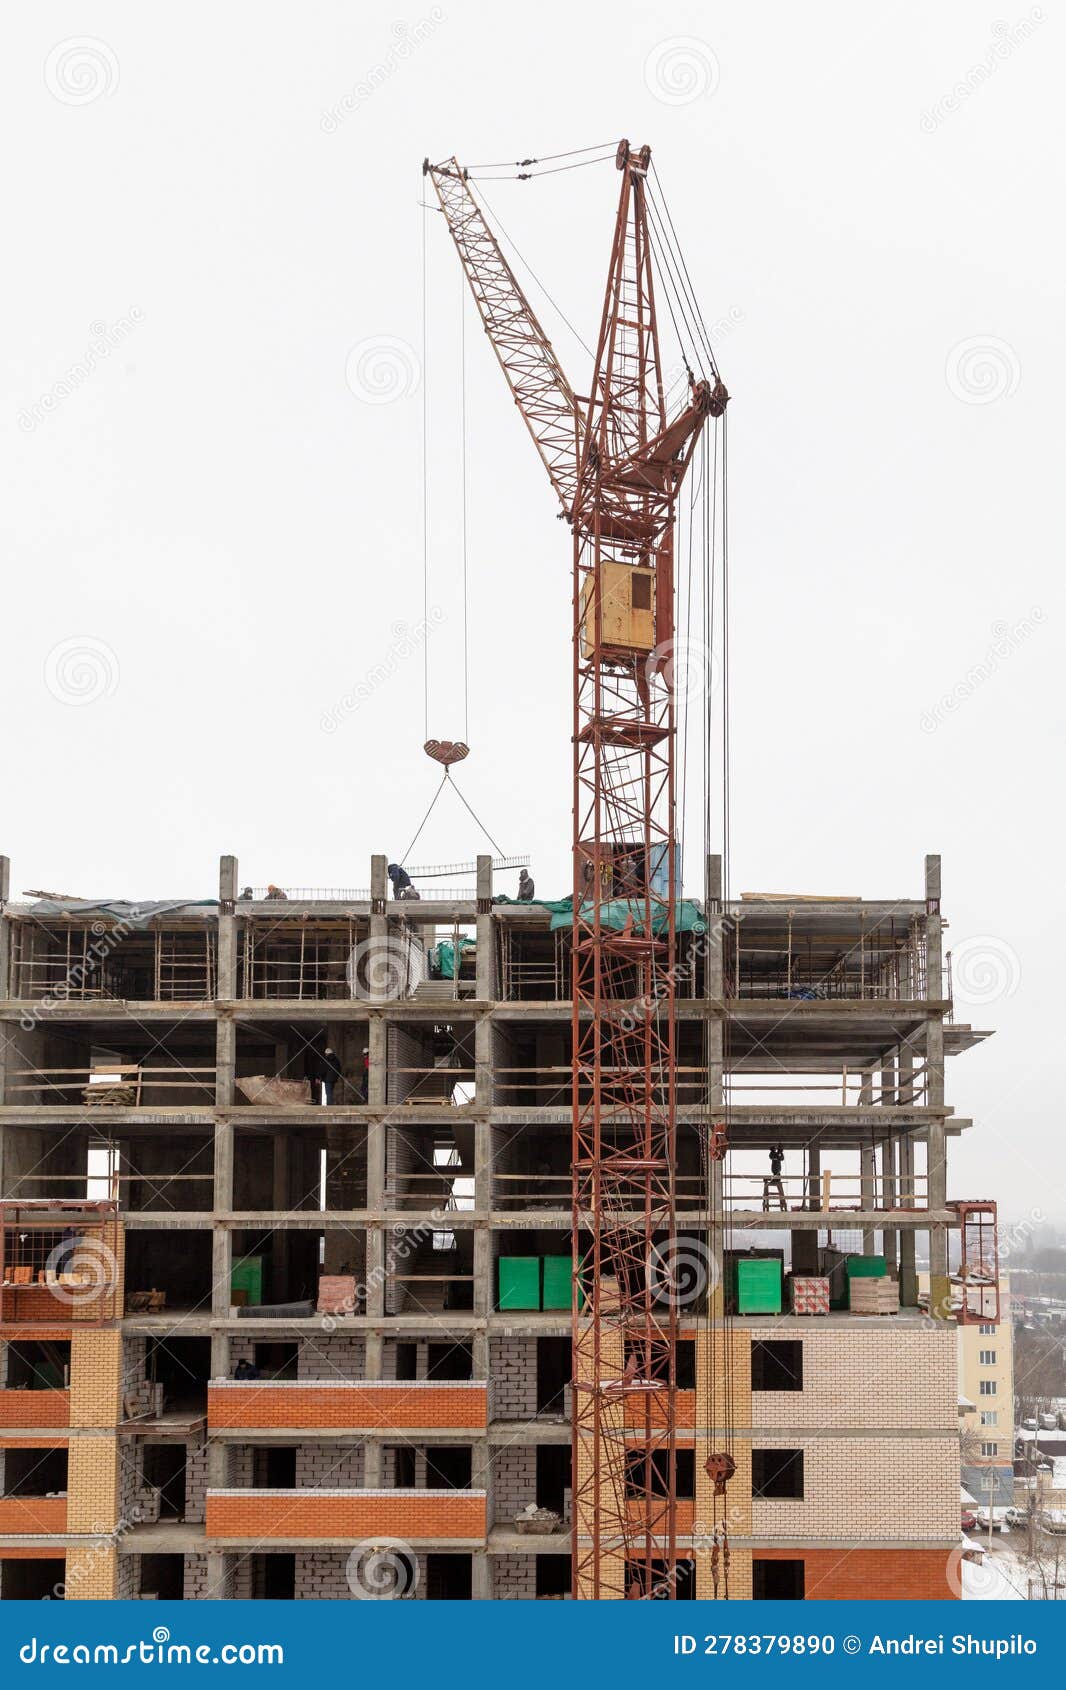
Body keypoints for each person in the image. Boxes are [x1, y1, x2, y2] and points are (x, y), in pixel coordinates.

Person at [762, 1144, 787, 1212]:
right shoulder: (772, 1154)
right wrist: (779, 1152)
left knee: (777, 1175)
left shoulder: (775, 1154)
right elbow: (777, 1157)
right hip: (775, 1169)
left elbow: (781, 1158)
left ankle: (774, 1179)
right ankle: (782, 1207)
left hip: (776, 1170)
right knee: (776, 1175)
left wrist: (780, 1152)